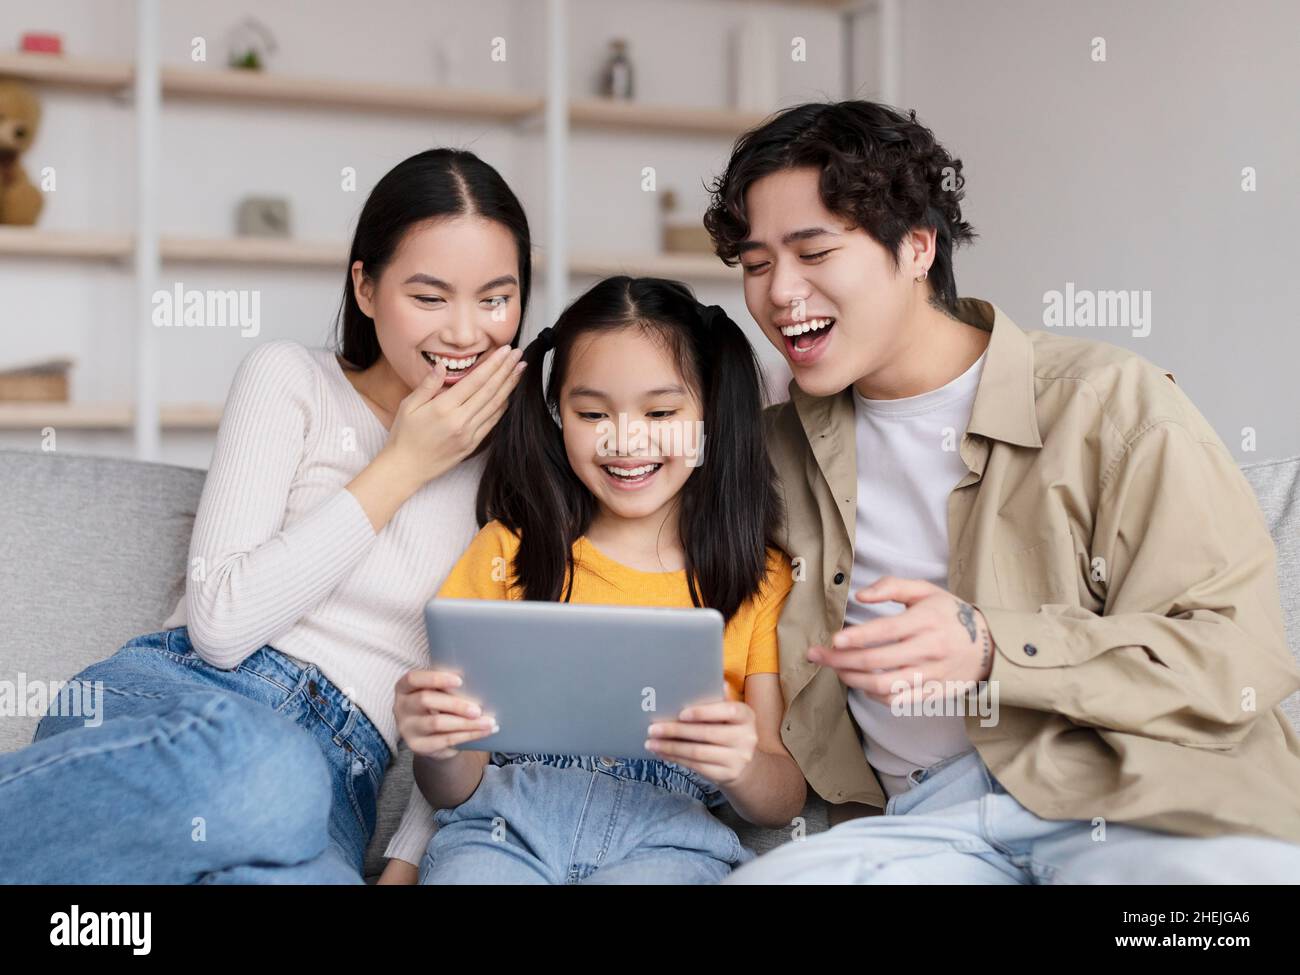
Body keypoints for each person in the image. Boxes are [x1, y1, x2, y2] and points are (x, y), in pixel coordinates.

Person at [700, 100, 1300, 883]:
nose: (780, 293)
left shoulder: (1111, 405)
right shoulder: (770, 451)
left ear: (917, 247)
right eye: (755, 264)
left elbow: (1236, 656)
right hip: (926, 828)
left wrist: (990, 648)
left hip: (1130, 794)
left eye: (814, 251)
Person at [0, 148, 528, 884]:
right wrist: (404, 463)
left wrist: (405, 864)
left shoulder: (514, 466)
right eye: (431, 296)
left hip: (338, 784)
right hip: (186, 710)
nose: (467, 333)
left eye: (496, 299)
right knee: (271, 777)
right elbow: (221, 623)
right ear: (366, 287)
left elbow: (468, 702)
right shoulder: (290, 380)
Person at [388, 276, 806, 884]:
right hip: (505, 829)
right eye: (591, 413)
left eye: (660, 412)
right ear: (559, 415)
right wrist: (437, 744)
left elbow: (782, 798)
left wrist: (740, 764)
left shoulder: (757, 579)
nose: (625, 439)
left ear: (709, 414)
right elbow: (453, 789)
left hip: (669, 842)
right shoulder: (509, 553)